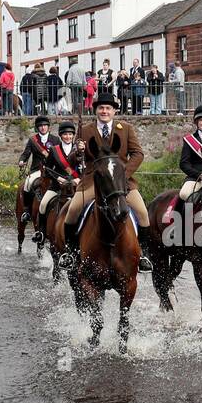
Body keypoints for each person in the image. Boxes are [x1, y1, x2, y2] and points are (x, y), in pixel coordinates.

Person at [58, 88, 152, 271]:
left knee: (142, 213)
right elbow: (71, 161)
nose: (104, 111)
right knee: (73, 210)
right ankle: (69, 252)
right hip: (94, 181)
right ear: (96, 110)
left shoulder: (125, 129)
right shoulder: (85, 131)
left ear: (114, 110)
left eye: (108, 108)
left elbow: (138, 154)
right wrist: (78, 152)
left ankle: (143, 255)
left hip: (121, 182)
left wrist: (123, 175)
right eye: (101, 108)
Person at [36, 120, 82, 241]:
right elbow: (48, 169)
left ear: (73, 135)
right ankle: (41, 232)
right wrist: (58, 178)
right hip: (57, 187)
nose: (68, 137)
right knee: (43, 204)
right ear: (61, 135)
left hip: (76, 187)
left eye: (70, 134)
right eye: (65, 134)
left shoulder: (79, 151)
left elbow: (85, 169)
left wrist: (79, 179)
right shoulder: (54, 150)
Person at [18, 115, 54, 222]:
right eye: (41, 126)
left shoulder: (55, 139)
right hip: (37, 170)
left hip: (51, 170)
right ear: (37, 127)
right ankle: (27, 211)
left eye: (45, 125)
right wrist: (21, 161)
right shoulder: (33, 140)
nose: (43, 128)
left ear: (48, 127)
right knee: (27, 185)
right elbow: (26, 154)